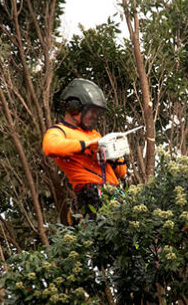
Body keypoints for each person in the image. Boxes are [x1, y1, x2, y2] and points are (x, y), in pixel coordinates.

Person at [42, 79, 127, 218]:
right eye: (92, 111)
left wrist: (116, 155)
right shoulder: (59, 131)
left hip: (114, 192)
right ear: (74, 108)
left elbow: (121, 173)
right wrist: (86, 145)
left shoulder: (94, 134)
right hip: (91, 193)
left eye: (97, 113)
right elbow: (50, 147)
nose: (95, 116)